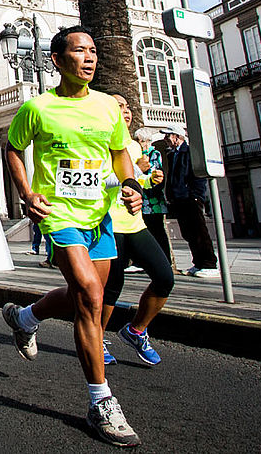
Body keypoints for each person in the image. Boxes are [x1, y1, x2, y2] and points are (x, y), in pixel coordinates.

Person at [0, 27, 144, 447]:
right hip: (58, 214)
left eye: (94, 51)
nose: (90, 57)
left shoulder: (107, 107)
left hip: (99, 215)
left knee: (88, 297)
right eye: (80, 51)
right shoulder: (38, 108)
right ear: (58, 60)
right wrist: (27, 193)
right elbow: (13, 147)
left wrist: (130, 184)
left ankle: (24, 317)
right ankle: (102, 402)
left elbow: (119, 153)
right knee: (90, 295)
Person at [100, 94, 175, 368]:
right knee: (112, 287)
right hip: (109, 224)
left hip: (135, 224)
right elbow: (97, 181)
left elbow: (133, 181)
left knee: (164, 277)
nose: (126, 111)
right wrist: (131, 176)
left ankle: (136, 330)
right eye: (119, 107)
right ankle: (96, 340)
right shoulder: (100, 144)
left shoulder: (132, 146)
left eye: (127, 107)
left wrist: (147, 178)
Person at [162, 126, 219, 278]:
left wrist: (195, 196)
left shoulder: (189, 152)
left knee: (199, 231)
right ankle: (198, 262)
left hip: (190, 198)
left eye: (168, 135)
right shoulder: (173, 154)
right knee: (189, 233)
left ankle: (209, 263)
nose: (166, 139)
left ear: (177, 136)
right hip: (179, 198)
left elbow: (197, 175)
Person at [134, 128, 175, 273]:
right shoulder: (139, 155)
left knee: (157, 231)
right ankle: (142, 262)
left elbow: (154, 175)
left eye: (141, 141)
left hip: (153, 201)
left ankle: (165, 261)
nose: (140, 144)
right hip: (143, 201)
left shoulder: (154, 154)